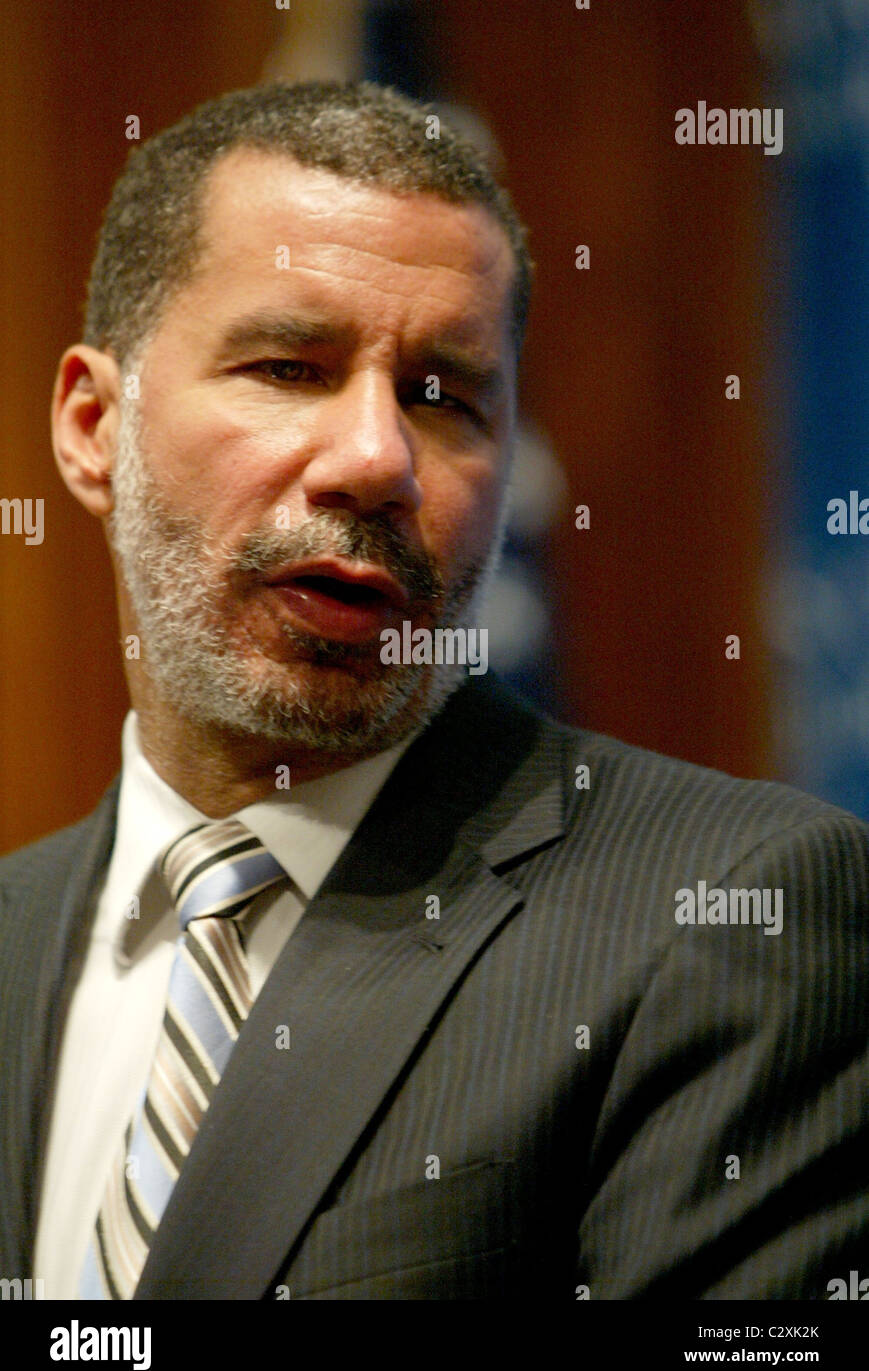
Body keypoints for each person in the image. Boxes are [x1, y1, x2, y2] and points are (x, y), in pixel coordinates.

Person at [0, 80, 866, 1302]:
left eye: (441, 396)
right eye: (290, 366)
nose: (376, 459)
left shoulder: (724, 912)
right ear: (93, 425)